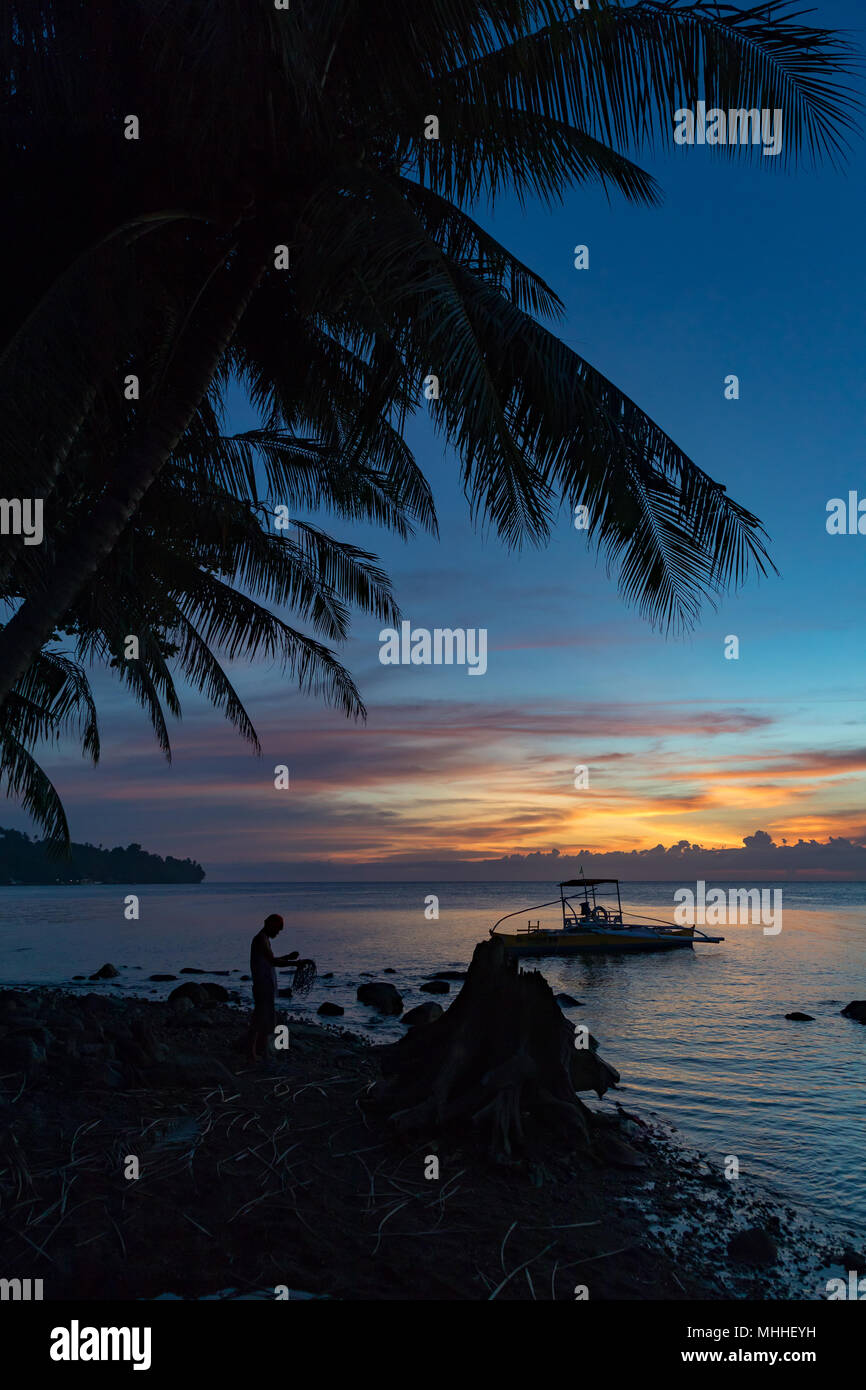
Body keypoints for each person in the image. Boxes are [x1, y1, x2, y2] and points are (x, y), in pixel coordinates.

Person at [246, 913, 300, 1063]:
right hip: (262, 986)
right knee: (259, 1019)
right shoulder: (260, 939)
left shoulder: (264, 939)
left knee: (265, 1020)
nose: (278, 932)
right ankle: (252, 1054)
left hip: (265, 985)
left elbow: (270, 960)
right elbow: (273, 962)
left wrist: (288, 957)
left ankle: (261, 1051)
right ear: (269, 925)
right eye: (277, 929)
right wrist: (295, 964)